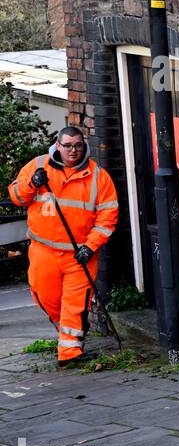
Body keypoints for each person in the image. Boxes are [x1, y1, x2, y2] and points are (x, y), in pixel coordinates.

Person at [7, 126, 119, 367]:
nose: (73, 150)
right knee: (44, 295)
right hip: (43, 250)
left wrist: (90, 246)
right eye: (67, 146)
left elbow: (108, 217)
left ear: (83, 145)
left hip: (80, 254)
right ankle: (70, 332)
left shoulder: (99, 177)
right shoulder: (38, 165)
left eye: (77, 145)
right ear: (57, 145)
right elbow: (16, 196)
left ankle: (70, 352)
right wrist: (32, 184)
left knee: (76, 301)